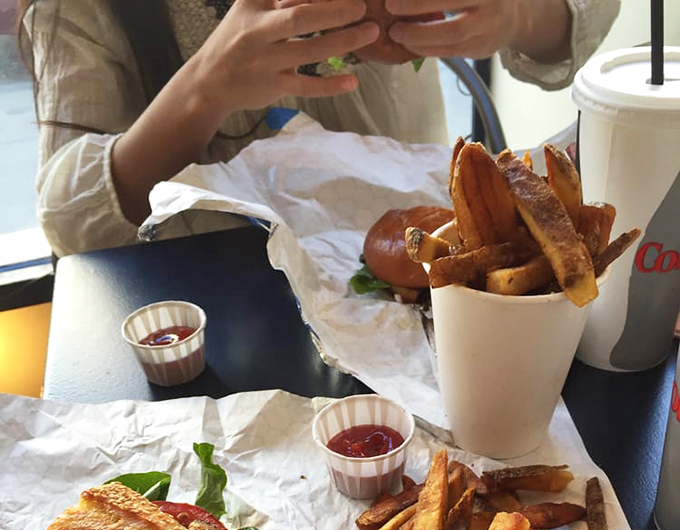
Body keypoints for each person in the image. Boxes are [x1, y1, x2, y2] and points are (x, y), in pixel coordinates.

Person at [20, 0, 619, 257]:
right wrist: (205, 88)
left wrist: (517, 14)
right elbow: (71, 220)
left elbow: (580, 22)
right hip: (208, 325)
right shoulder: (80, 14)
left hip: (416, 284)